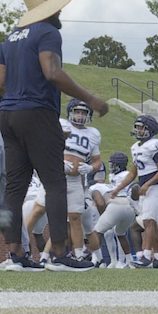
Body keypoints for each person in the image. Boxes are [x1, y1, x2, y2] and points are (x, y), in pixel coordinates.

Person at [0, 0, 108, 271]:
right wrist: (91, 99)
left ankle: (15, 256)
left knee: (14, 188)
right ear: (48, 11)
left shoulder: (10, 38)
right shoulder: (48, 32)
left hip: (8, 114)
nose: (60, 12)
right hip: (38, 111)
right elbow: (53, 72)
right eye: (57, 8)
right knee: (55, 183)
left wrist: (16, 105)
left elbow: (0, 83)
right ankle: (59, 254)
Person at [110, 115, 158, 268]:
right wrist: (118, 189)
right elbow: (132, 173)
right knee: (152, 223)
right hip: (145, 188)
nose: (138, 130)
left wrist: (147, 184)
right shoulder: (135, 147)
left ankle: (146, 256)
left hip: (155, 187)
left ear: (150, 130)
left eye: (141, 127)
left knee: (148, 221)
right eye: (137, 127)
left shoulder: (154, 144)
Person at [61, 98, 102, 262]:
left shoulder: (92, 134)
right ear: (70, 112)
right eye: (77, 112)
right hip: (56, 177)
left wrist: (90, 168)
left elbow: (97, 161)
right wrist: (58, 161)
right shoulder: (61, 125)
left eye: (83, 113)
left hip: (76, 182)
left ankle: (78, 254)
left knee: (75, 218)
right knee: (43, 211)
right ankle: (29, 253)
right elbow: (46, 146)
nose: (79, 116)